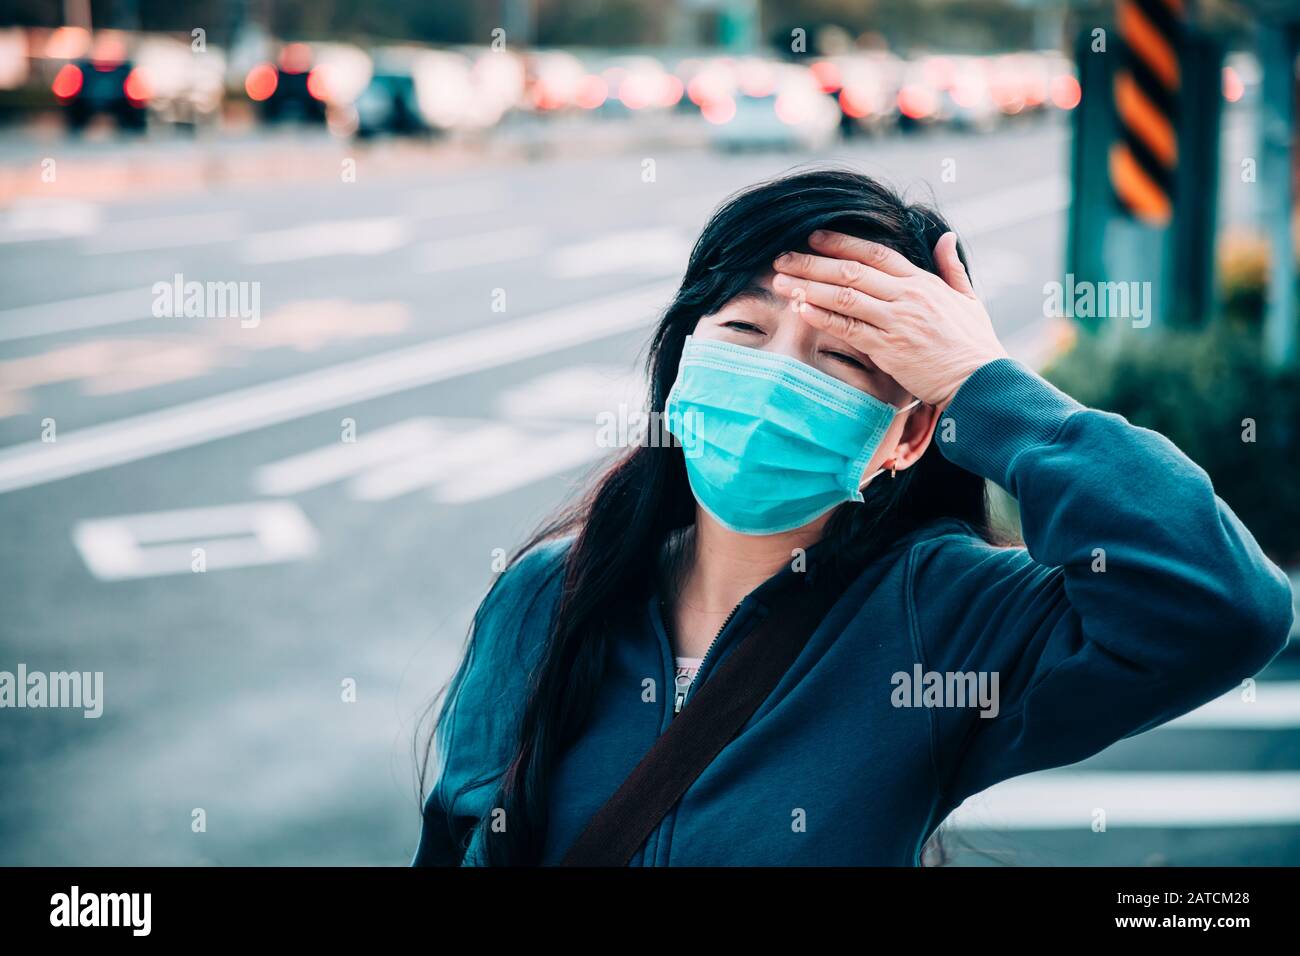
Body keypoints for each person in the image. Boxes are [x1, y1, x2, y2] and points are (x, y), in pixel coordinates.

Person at [412, 168, 1294, 866]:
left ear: (909, 435)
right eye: (746, 333)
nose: (777, 376)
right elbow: (455, 841)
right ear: (684, 359)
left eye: (841, 355)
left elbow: (1226, 607)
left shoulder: (946, 620)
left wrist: (983, 386)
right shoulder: (546, 594)